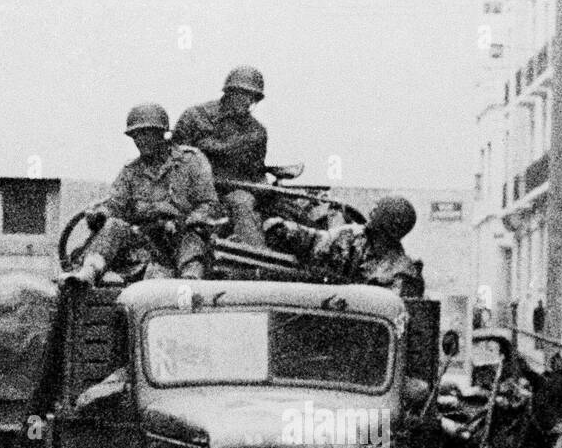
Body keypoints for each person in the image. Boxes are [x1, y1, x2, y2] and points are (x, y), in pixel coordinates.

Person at [66, 103, 220, 286]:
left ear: (161, 133)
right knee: (114, 226)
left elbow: (209, 203)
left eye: (146, 134)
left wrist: (190, 221)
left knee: (193, 238)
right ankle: (89, 273)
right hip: (145, 244)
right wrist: (101, 214)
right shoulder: (131, 171)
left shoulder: (191, 161)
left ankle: (189, 282)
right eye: (136, 136)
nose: (140, 140)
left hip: (182, 238)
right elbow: (115, 205)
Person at [172, 66, 269, 246]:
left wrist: (262, 187)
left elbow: (256, 172)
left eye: (252, 97)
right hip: (191, 191)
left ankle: (256, 261)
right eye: (242, 94)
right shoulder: (195, 117)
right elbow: (173, 160)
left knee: (243, 201)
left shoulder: (257, 132)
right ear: (229, 92)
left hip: (230, 191)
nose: (247, 101)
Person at [264, 195, 425, 299]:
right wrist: (286, 231)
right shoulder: (352, 235)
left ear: (388, 223)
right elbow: (317, 240)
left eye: (378, 210)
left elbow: (391, 312)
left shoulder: (404, 273)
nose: (371, 211)